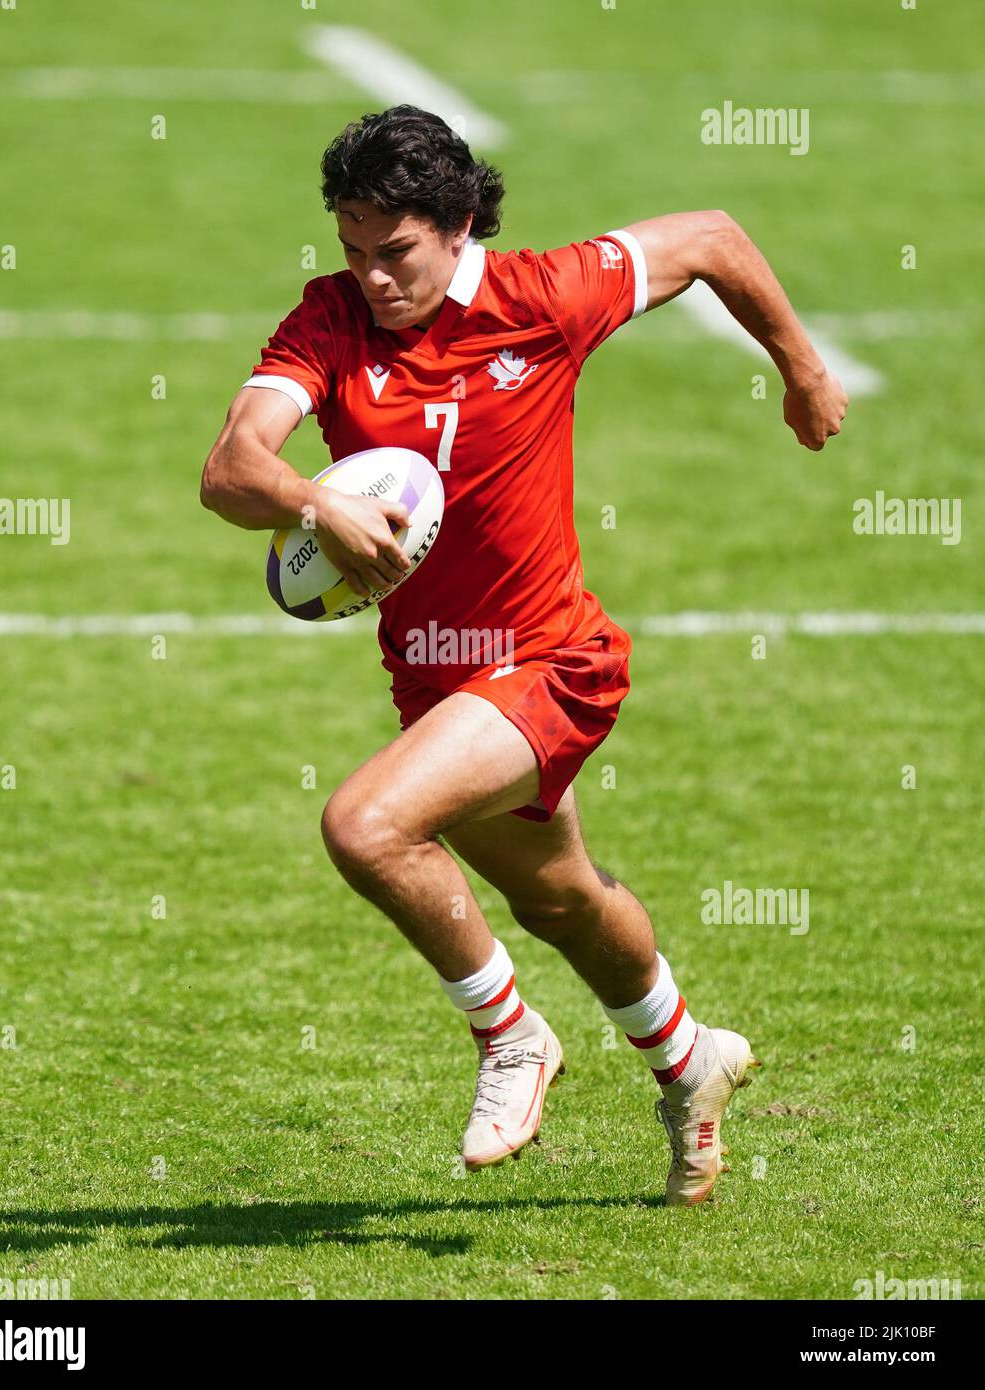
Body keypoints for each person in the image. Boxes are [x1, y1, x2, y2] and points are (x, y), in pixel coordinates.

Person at [200, 105, 847, 1204]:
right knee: (562, 903)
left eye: (394, 252)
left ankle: (510, 1038)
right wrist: (315, 501)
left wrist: (797, 364)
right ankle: (690, 1060)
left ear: (457, 225)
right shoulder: (329, 321)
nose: (372, 277)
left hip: (552, 663)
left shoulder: (544, 297)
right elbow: (229, 469)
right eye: (352, 251)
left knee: (363, 824)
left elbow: (710, 238)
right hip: (439, 682)